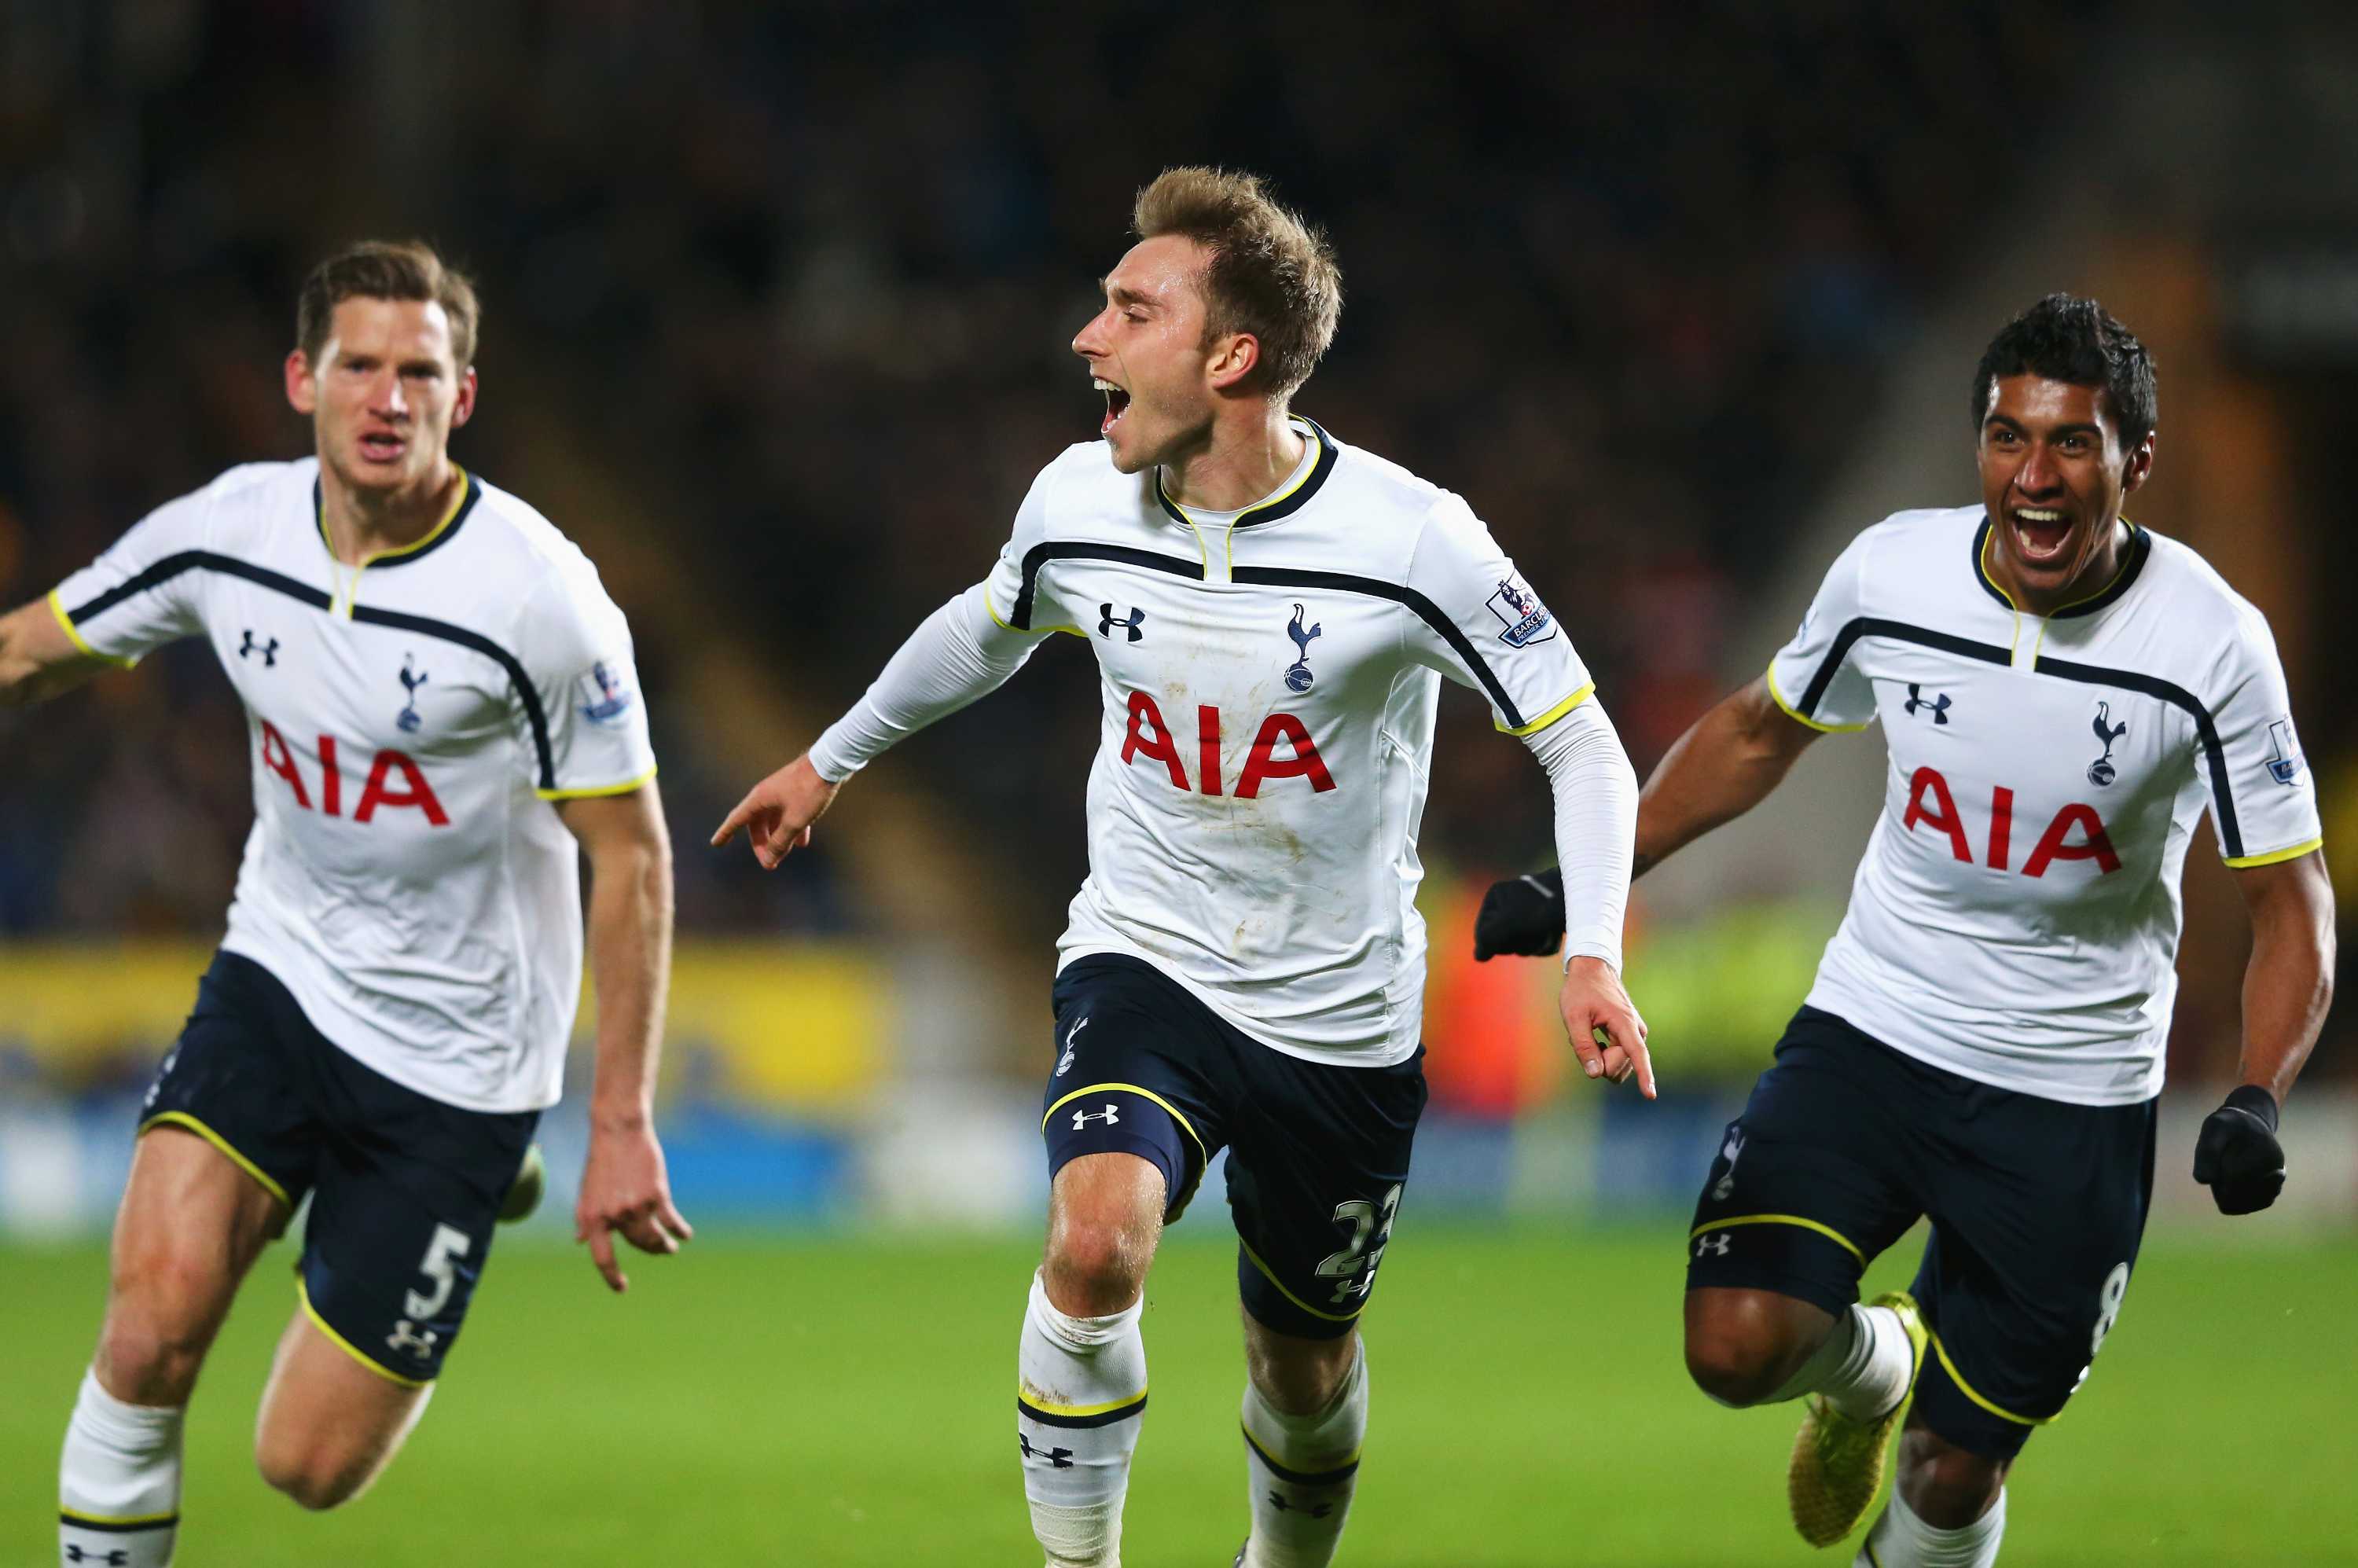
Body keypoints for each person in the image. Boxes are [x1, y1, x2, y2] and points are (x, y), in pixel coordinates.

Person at [715, 167, 1647, 1568]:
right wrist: (831, 758)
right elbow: (992, 623)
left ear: (1231, 358)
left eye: (1130, 309)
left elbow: (1587, 748)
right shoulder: (1077, 495)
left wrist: (1596, 956)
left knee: (1304, 1369)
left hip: (1339, 1016)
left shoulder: (1413, 543)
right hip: (1145, 954)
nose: (1088, 337)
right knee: (1095, 1246)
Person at [1471, 294, 2334, 1566]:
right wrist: (1591, 875)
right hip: (1875, 1032)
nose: (2033, 479)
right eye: (2007, 438)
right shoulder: (1893, 573)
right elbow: (1763, 730)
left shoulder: (2211, 647)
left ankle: (1917, 1419)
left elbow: (2291, 900)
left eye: (2073, 446)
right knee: (1735, 1345)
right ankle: (1874, 1366)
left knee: (1952, 1471)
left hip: (2069, 1091)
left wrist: (2258, 1094)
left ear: (2134, 465)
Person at [0, 241, 691, 1567]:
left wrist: (619, 1120)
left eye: (419, 372)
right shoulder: (231, 531)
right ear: (300, 379)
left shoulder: (539, 600)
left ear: (463, 397)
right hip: (283, 975)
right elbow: (34, 647)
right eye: (359, 366)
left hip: (462, 1057)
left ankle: (468, 1186)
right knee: (146, 1331)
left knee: (303, 1466)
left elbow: (634, 856)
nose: (387, 398)